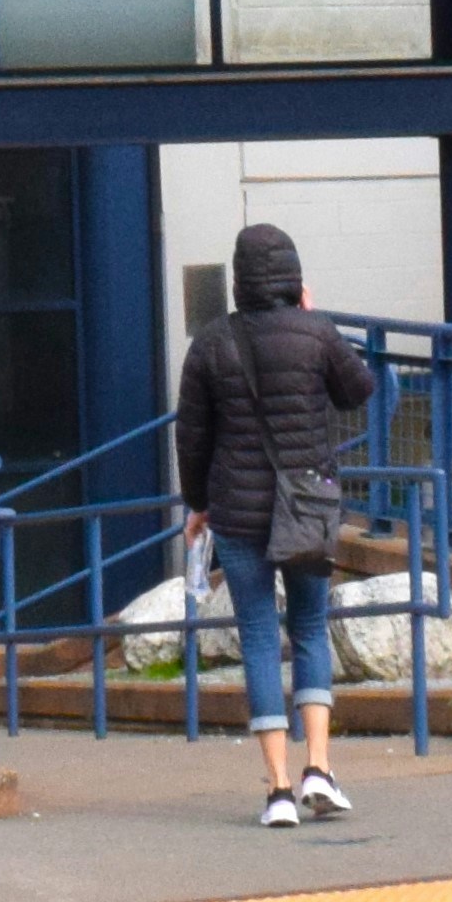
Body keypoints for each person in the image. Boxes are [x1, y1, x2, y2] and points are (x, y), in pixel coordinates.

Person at [171, 220, 372, 827]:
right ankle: (320, 770)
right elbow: (358, 389)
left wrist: (198, 504)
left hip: (237, 511)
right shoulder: (316, 331)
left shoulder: (211, 343)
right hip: (306, 507)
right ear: (294, 276)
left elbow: (192, 435)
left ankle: (279, 789)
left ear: (239, 280)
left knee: (259, 636)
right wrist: (313, 320)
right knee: (310, 628)